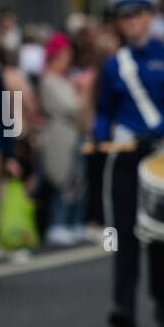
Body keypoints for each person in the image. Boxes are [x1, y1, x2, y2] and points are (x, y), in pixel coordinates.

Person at [93, 0, 164, 327]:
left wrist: (155, 130)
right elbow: (105, 109)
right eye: (125, 17)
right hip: (125, 156)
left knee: (162, 234)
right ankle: (124, 307)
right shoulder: (113, 65)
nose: (132, 23)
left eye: (138, 15)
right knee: (125, 232)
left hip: (161, 157)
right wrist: (100, 133)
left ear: (150, 17)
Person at [39, 32, 90, 245]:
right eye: (65, 56)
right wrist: (84, 95)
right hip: (59, 137)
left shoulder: (64, 79)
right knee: (63, 182)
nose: (68, 60)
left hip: (74, 135)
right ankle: (58, 223)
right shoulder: (49, 80)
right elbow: (72, 106)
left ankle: (74, 222)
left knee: (77, 182)